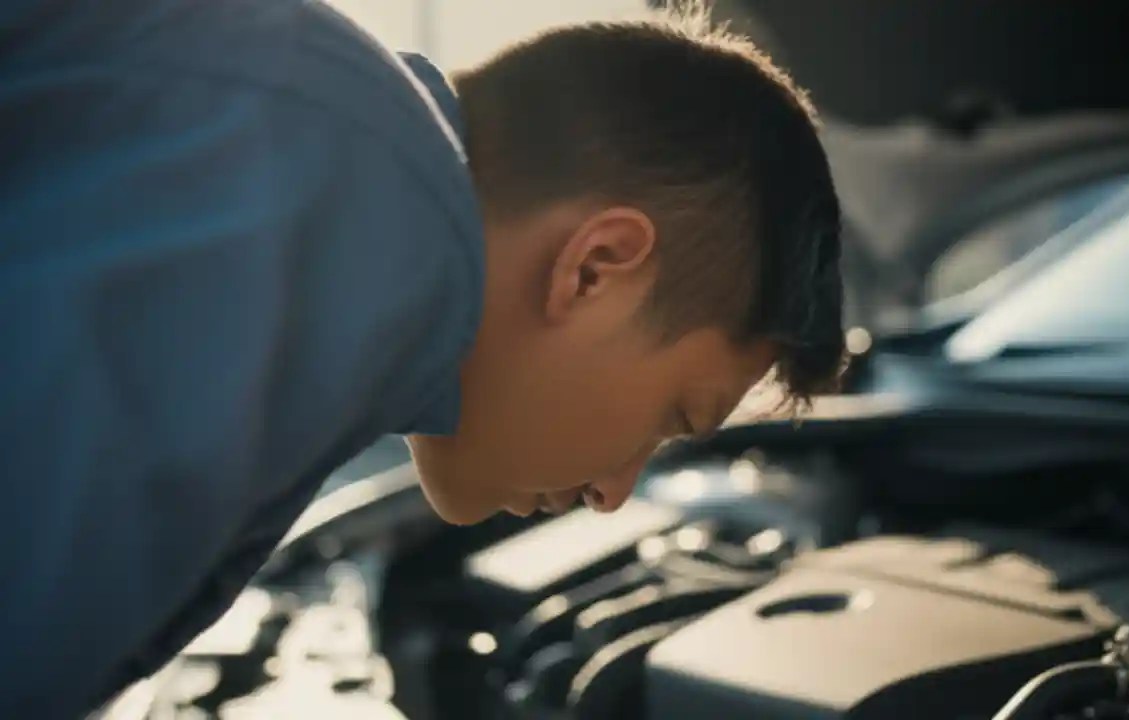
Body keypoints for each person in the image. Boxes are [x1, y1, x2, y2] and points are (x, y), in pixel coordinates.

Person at [0, 0, 845, 716]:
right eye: (671, 417)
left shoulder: (310, 155)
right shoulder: (297, 211)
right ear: (594, 270)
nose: (615, 494)